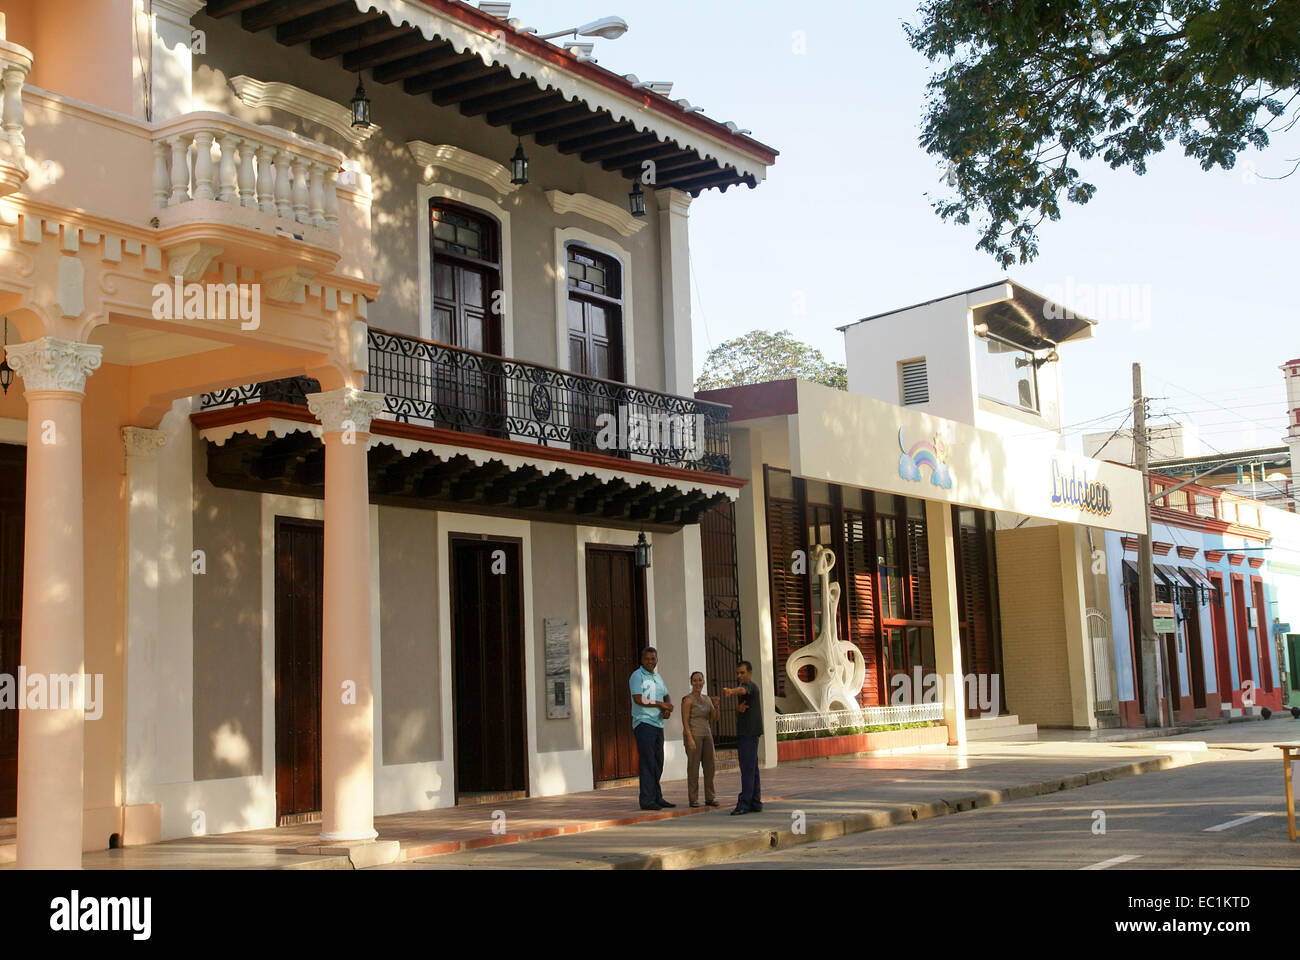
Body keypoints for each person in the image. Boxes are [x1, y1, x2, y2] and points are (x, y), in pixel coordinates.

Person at [630, 646, 675, 811]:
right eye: (647, 659)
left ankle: (657, 796)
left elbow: (666, 694)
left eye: (653, 659)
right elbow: (638, 698)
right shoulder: (637, 676)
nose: (650, 662)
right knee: (648, 761)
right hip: (644, 723)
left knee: (658, 762)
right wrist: (660, 704)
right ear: (642, 660)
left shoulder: (657, 677)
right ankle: (647, 800)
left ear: (657, 660)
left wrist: (666, 707)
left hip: (658, 724)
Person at [722, 660, 762, 815]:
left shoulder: (751, 686)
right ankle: (755, 802)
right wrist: (738, 709)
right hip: (745, 732)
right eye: (737, 673)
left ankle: (744, 803)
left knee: (747, 769)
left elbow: (742, 690)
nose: (739, 675)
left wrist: (731, 691)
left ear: (749, 673)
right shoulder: (745, 689)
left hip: (749, 733)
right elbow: (739, 714)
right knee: (752, 769)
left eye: (742, 673)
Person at [681, 671, 719, 808]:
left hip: (706, 734)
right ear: (691, 683)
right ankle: (693, 799)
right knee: (693, 767)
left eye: (700, 680)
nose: (698, 683)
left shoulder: (707, 699)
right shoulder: (688, 700)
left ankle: (710, 797)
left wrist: (716, 705)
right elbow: (685, 721)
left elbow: (714, 718)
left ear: (704, 682)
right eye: (695, 680)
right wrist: (689, 739)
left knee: (710, 767)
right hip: (694, 735)